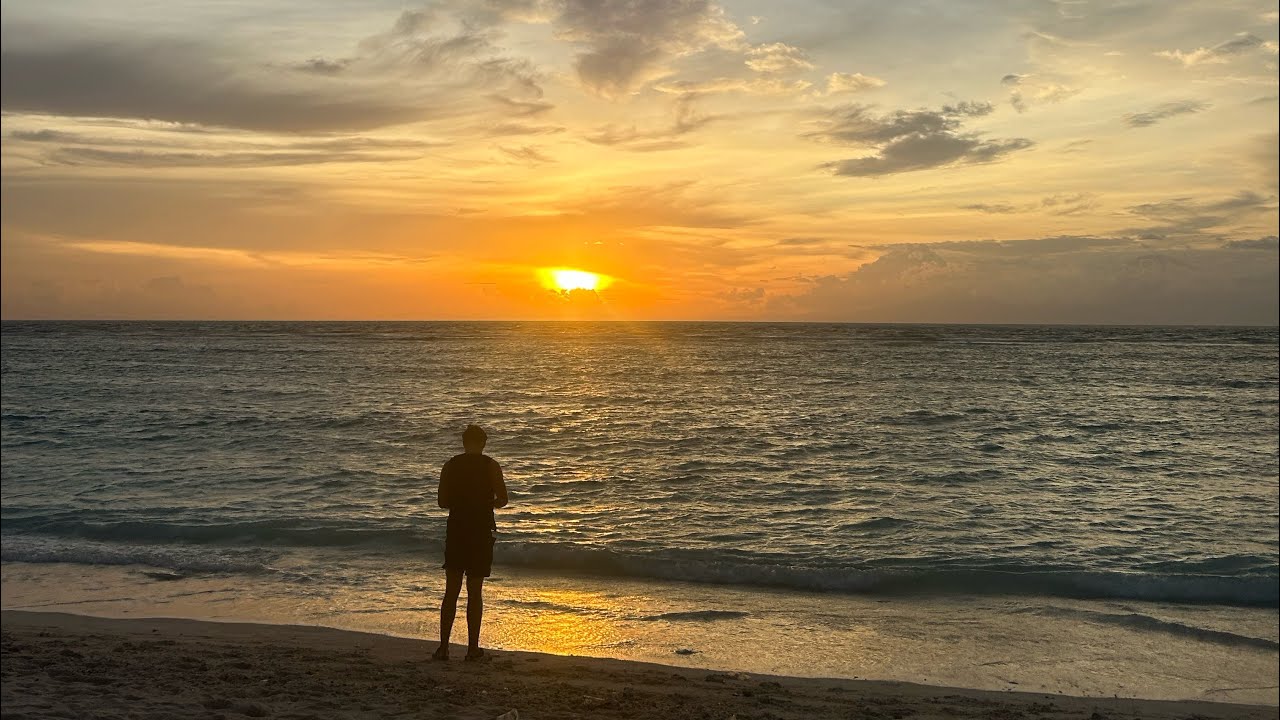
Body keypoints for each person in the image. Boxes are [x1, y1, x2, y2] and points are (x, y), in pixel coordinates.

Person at [433, 424, 508, 661]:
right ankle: (472, 649)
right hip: (480, 531)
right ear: (483, 444)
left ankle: (443, 648)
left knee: (451, 591)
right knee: (474, 591)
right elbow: (503, 499)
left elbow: (442, 502)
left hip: (456, 530)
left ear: (464, 443)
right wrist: (488, 504)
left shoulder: (450, 465)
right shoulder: (491, 466)